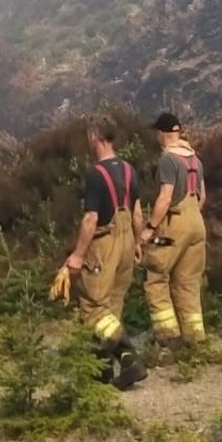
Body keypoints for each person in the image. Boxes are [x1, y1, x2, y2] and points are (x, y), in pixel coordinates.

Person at [63, 119, 148, 390]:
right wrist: (136, 243)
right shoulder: (130, 170)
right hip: (126, 244)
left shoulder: (96, 174)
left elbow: (91, 219)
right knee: (112, 307)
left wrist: (77, 255)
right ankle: (101, 372)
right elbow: (136, 213)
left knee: (93, 307)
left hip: (105, 245)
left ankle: (130, 359)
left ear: (95, 137)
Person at [141, 112, 208, 346]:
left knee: (156, 276)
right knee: (188, 282)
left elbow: (165, 198)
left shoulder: (168, 160)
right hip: (197, 224)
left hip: (175, 223)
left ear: (162, 134)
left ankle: (168, 337)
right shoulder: (195, 160)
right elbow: (202, 196)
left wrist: (150, 227)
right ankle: (195, 338)